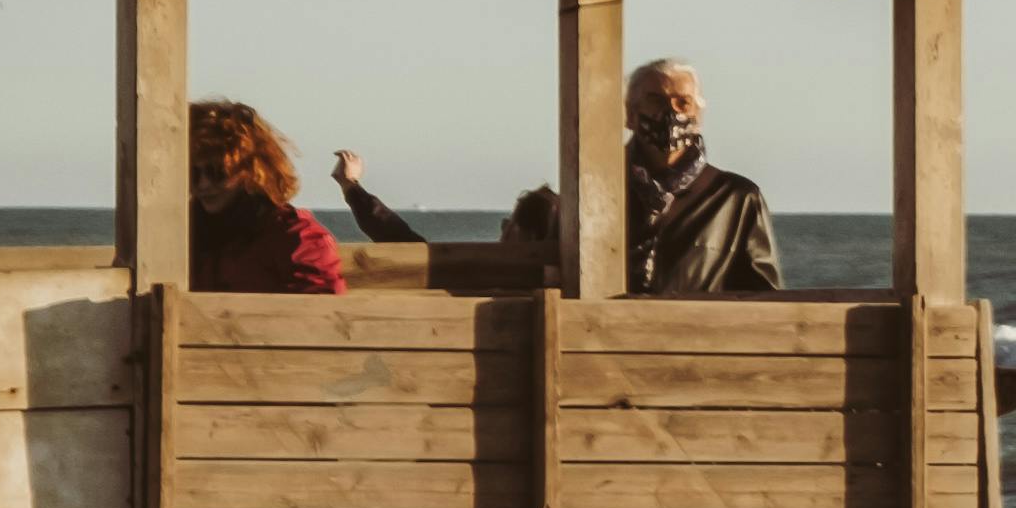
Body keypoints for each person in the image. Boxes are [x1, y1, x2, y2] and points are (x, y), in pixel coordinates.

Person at [330, 60, 782, 296]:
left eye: (682, 102)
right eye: (654, 101)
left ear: (699, 113)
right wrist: (356, 194)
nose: (669, 113)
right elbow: (443, 262)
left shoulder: (735, 198)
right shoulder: (590, 193)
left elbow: (762, 294)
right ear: (628, 113)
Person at [188, 102, 352, 296]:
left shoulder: (295, 238)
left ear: (252, 171)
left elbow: (319, 315)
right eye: (193, 173)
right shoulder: (186, 233)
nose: (204, 184)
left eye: (217, 172)